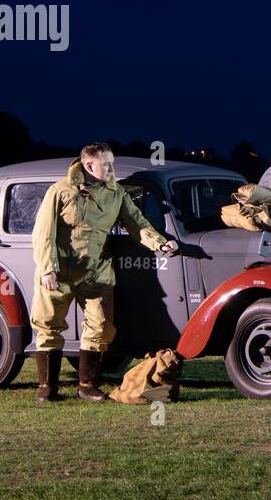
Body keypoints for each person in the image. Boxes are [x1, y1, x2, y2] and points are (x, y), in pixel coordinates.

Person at [29, 143, 178, 401]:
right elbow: (43, 233)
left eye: (112, 164)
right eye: (106, 165)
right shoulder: (60, 190)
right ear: (89, 166)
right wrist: (47, 269)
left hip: (96, 270)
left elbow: (136, 222)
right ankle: (47, 387)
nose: (112, 169)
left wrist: (159, 242)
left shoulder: (116, 193)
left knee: (101, 325)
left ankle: (87, 387)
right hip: (60, 269)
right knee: (48, 324)